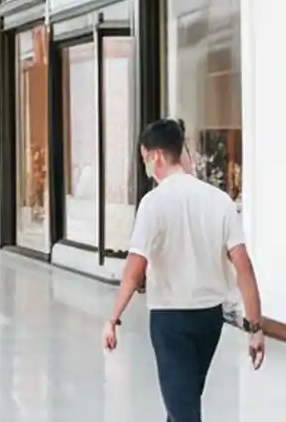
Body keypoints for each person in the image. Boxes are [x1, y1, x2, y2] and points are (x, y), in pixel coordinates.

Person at [102, 119, 265, 422]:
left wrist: (112, 318)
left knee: (183, 407)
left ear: (157, 157)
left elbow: (134, 271)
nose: (145, 165)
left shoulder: (153, 203)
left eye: (144, 158)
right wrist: (255, 328)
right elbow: (244, 267)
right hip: (209, 319)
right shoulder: (220, 201)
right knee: (185, 399)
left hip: (169, 320)